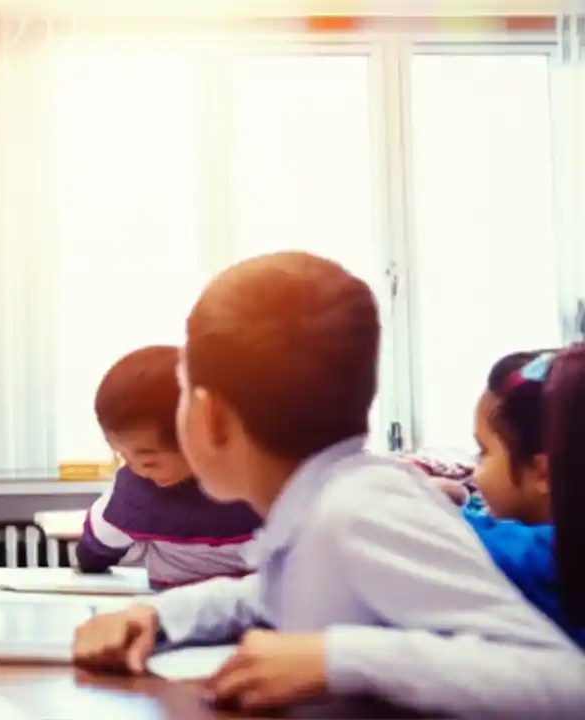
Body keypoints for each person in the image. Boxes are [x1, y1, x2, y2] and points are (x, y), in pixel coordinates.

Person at [71, 252, 585, 718]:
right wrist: (155, 615)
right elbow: (266, 597)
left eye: (183, 393)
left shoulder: (359, 514)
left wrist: (338, 659)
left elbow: (568, 683)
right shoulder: (320, 509)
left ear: (211, 418)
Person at [76, 346, 260, 587]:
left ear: (195, 435)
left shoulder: (254, 488)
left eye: (149, 462)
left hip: (256, 615)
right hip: (170, 612)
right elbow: (93, 551)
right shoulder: (132, 496)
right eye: (123, 458)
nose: (137, 471)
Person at [463, 348, 584, 647]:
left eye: (484, 452)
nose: (474, 473)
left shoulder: (546, 558)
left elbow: (449, 537)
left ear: (542, 472)